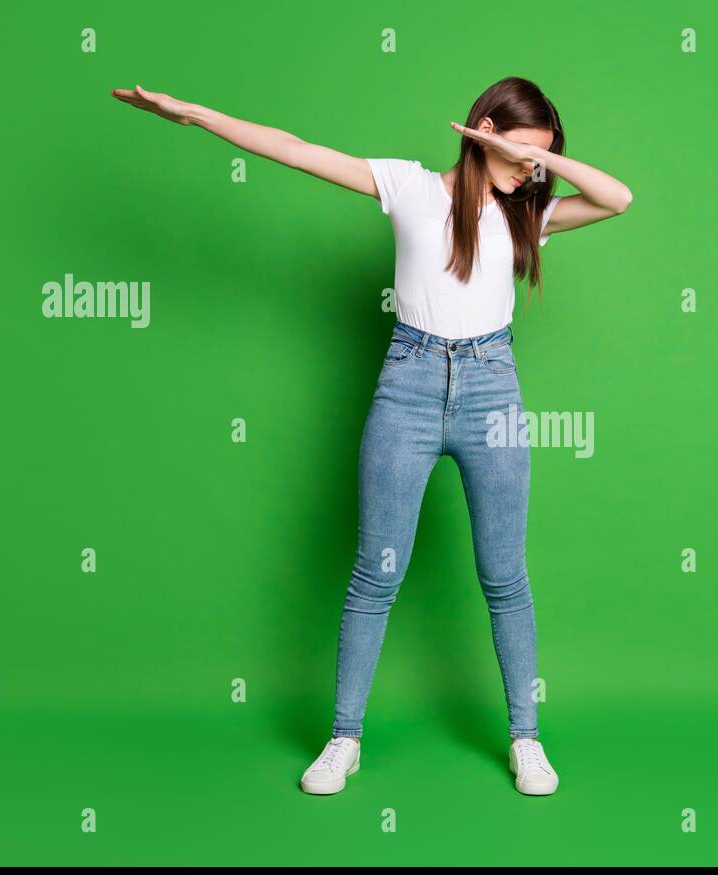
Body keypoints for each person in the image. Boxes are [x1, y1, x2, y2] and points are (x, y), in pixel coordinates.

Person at [111, 75, 633, 796]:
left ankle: (526, 739)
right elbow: (295, 151)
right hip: (409, 386)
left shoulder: (529, 216)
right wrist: (197, 114)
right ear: (481, 129)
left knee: (505, 577)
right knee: (374, 575)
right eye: (521, 154)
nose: (529, 172)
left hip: (492, 392)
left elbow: (617, 198)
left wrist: (534, 163)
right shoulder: (413, 189)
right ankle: (344, 739)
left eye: (538, 161)